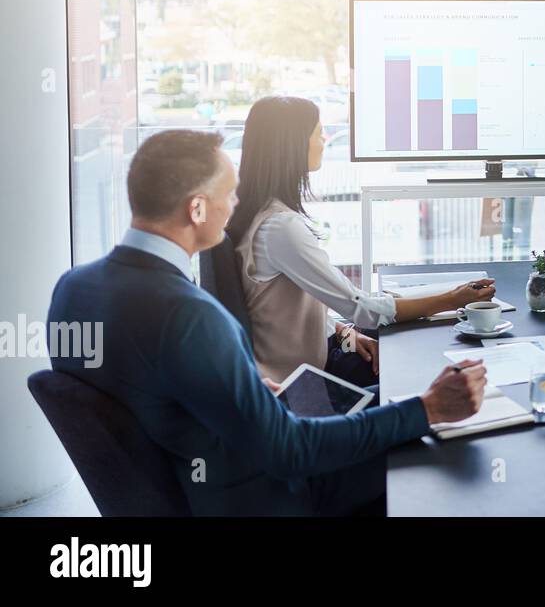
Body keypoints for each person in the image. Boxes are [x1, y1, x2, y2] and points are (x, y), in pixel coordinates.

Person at [46, 129, 487, 515]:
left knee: (381, 400)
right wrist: (428, 408)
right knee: (420, 447)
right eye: (229, 193)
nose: (235, 204)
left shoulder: (72, 289)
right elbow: (290, 451)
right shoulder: (190, 316)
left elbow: (150, 387)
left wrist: (237, 388)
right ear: (196, 209)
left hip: (189, 479)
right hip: (252, 495)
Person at [225, 96, 495, 385]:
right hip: (300, 382)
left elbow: (281, 308)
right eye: (318, 132)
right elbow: (363, 310)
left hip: (317, 353)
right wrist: (452, 300)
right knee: (422, 371)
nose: (324, 139)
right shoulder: (280, 227)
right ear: (294, 145)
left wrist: (340, 330)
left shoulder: (255, 212)